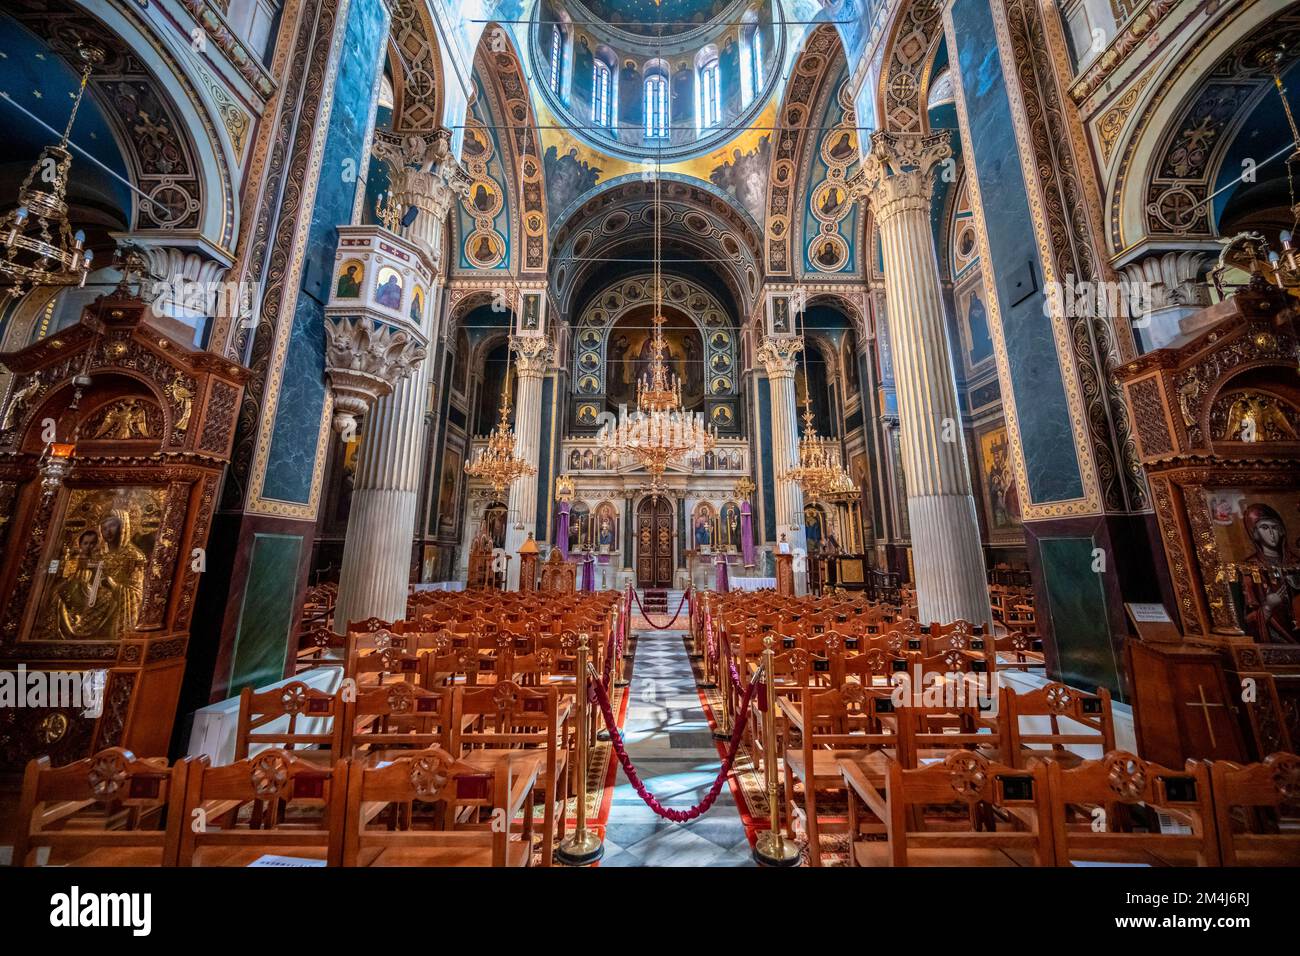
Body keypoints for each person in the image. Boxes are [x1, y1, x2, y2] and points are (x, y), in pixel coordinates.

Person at [1238, 503, 1300, 643]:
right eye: (1264, 528)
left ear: (1282, 531)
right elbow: (1246, 619)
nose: (1271, 533)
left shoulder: (1296, 562)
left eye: (1275, 527)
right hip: (1276, 639)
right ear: (1255, 533)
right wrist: (1268, 606)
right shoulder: (1250, 568)